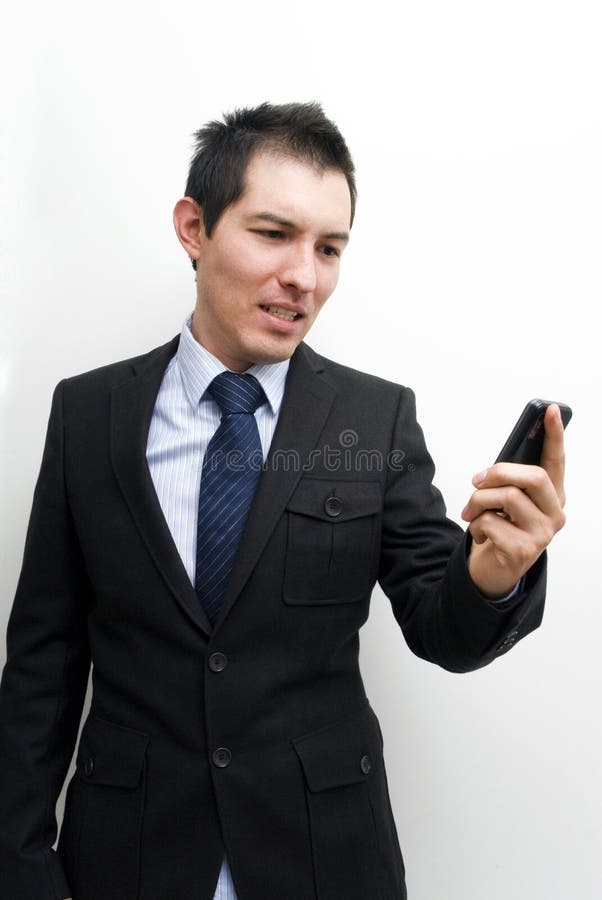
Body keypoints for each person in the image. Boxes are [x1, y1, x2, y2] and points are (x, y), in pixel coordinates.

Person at [0, 102, 566, 900]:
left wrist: (494, 576)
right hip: (127, 861)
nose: (305, 275)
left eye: (329, 247)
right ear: (194, 228)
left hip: (326, 860)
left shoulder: (373, 419)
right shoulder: (88, 414)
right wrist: (22, 870)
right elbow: (41, 668)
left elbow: (443, 628)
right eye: (274, 234)